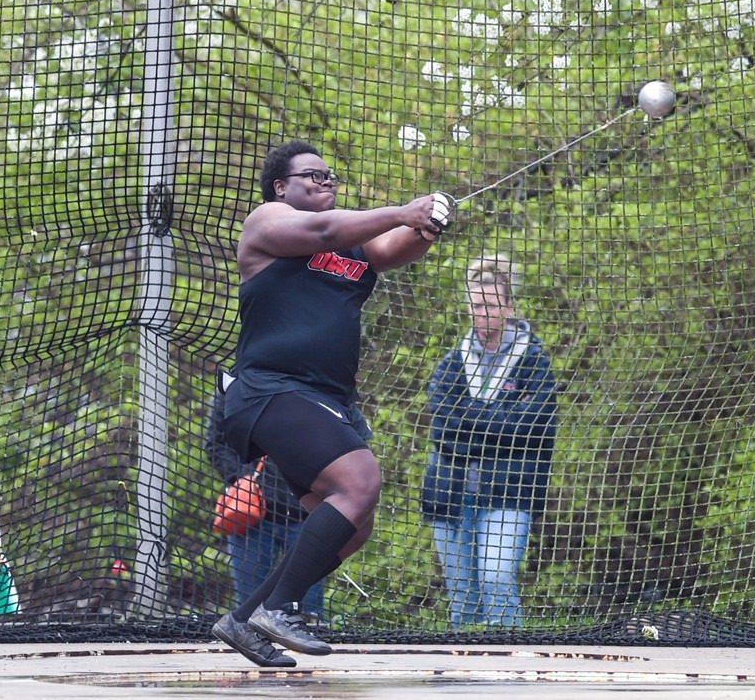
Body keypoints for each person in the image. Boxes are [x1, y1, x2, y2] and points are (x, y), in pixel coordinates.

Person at [211, 139, 451, 666]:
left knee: (352, 520)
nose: (325, 182)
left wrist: (423, 228)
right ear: (282, 186)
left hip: (325, 398)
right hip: (270, 388)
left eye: (329, 177)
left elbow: (390, 251)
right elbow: (325, 229)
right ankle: (282, 606)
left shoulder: (349, 246)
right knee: (359, 481)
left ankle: (245, 618)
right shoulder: (268, 222)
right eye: (312, 176)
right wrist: (401, 210)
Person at [422, 254, 557, 627]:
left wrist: (471, 419)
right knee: (463, 598)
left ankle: (509, 670)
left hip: (509, 492)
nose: (481, 314)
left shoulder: (534, 363)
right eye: (475, 306)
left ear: (509, 306)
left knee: (496, 580)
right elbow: (442, 429)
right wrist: (497, 423)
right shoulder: (453, 362)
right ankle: (463, 677)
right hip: (449, 493)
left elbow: (531, 428)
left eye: (490, 306)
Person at [204, 391, 326, 618]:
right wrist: (244, 479)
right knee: (249, 609)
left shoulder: (312, 387)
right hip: (251, 515)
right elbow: (215, 445)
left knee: (309, 611)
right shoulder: (235, 388)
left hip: (307, 515)